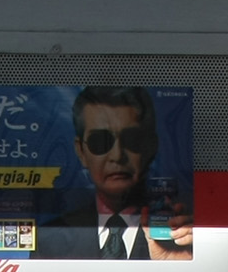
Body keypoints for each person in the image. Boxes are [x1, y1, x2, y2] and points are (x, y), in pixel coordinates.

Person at [34, 85, 191, 262]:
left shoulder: (186, 236)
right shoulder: (46, 241)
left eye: (132, 139)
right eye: (100, 141)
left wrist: (177, 267)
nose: (117, 156)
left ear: (151, 146)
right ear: (81, 152)